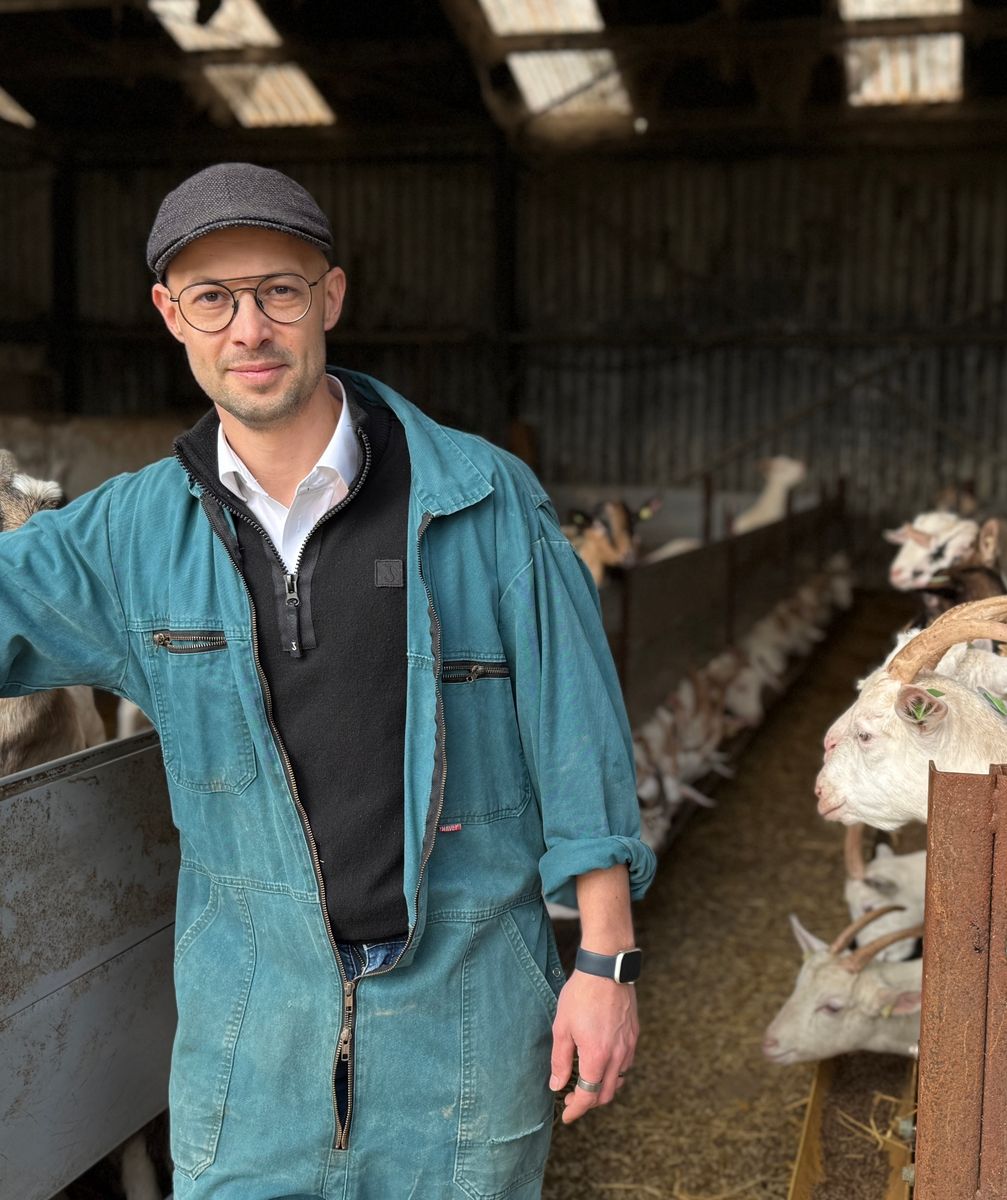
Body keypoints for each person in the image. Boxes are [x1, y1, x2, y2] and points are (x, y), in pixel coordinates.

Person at [0, 162, 656, 1199]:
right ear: (172, 317)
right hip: (251, 1045)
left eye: (279, 291)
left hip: (466, 1028)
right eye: (213, 299)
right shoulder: (130, 537)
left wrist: (605, 964)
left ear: (330, 298)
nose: (248, 329)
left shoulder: (484, 502)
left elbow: (578, 735)